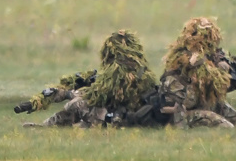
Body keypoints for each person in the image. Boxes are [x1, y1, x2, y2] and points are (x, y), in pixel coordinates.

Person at [16, 30, 160, 128]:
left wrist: (68, 94)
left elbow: (96, 96)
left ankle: (47, 127)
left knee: (77, 104)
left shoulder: (118, 70)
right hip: (127, 116)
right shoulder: (141, 70)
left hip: (119, 118)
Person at [157, 17, 236, 129]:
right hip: (180, 112)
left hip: (200, 103)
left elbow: (224, 80)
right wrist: (195, 63)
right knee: (224, 125)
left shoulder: (212, 56)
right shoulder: (182, 57)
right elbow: (197, 73)